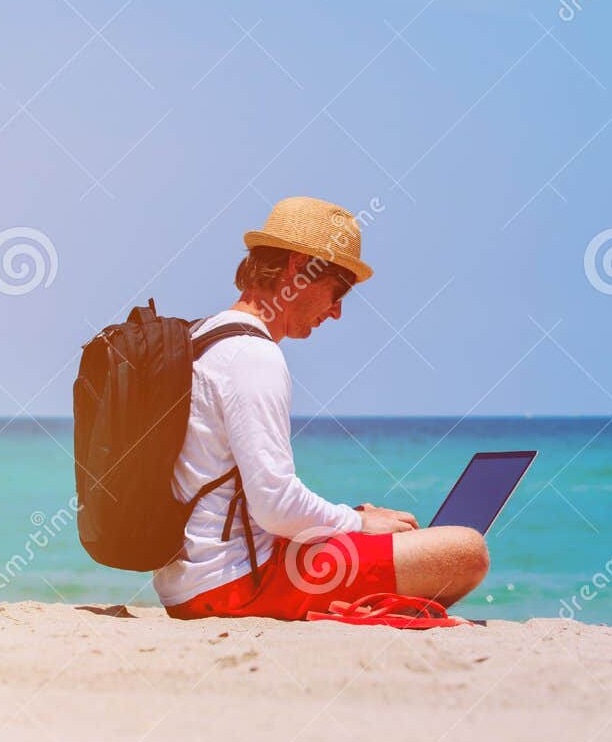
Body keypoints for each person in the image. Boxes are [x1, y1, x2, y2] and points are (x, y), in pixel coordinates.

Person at [154, 196, 490, 621]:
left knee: (398, 535)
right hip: (235, 586)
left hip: (191, 581)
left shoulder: (202, 337)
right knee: (465, 549)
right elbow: (274, 506)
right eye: (338, 291)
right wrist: (359, 524)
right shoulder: (252, 356)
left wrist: (350, 518)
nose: (337, 311)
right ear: (299, 268)